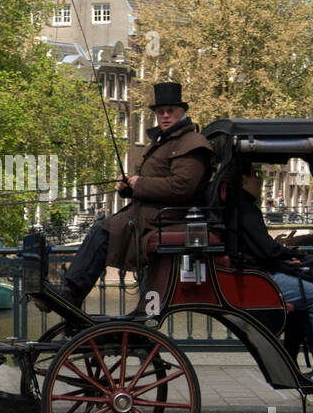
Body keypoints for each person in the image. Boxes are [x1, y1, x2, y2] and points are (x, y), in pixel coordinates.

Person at [56, 82, 215, 305]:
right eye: (161, 112)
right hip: (147, 215)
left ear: (182, 112)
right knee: (102, 226)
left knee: (104, 230)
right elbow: (155, 182)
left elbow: (182, 187)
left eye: (170, 111)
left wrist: (139, 184)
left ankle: (72, 292)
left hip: (166, 220)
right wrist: (129, 188)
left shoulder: (192, 144)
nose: (165, 116)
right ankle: (71, 291)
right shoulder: (165, 142)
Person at [235, 158, 313, 373]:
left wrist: (279, 251)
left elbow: (259, 246)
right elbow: (266, 251)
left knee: (306, 297)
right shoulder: (246, 209)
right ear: (244, 179)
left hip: (249, 272)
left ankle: (290, 357)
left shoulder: (235, 207)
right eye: (255, 175)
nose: (259, 181)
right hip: (259, 277)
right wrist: (288, 254)